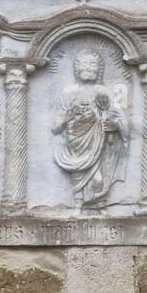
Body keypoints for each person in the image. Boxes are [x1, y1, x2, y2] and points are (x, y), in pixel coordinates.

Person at [51, 50, 128, 209]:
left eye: (92, 64)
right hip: (75, 143)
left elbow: (120, 117)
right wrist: (71, 114)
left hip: (97, 144)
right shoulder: (68, 92)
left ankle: (95, 209)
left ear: (99, 68)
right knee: (78, 179)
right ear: (76, 68)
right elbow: (56, 126)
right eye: (84, 64)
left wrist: (115, 126)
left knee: (98, 181)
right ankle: (80, 209)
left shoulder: (104, 92)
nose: (89, 68)